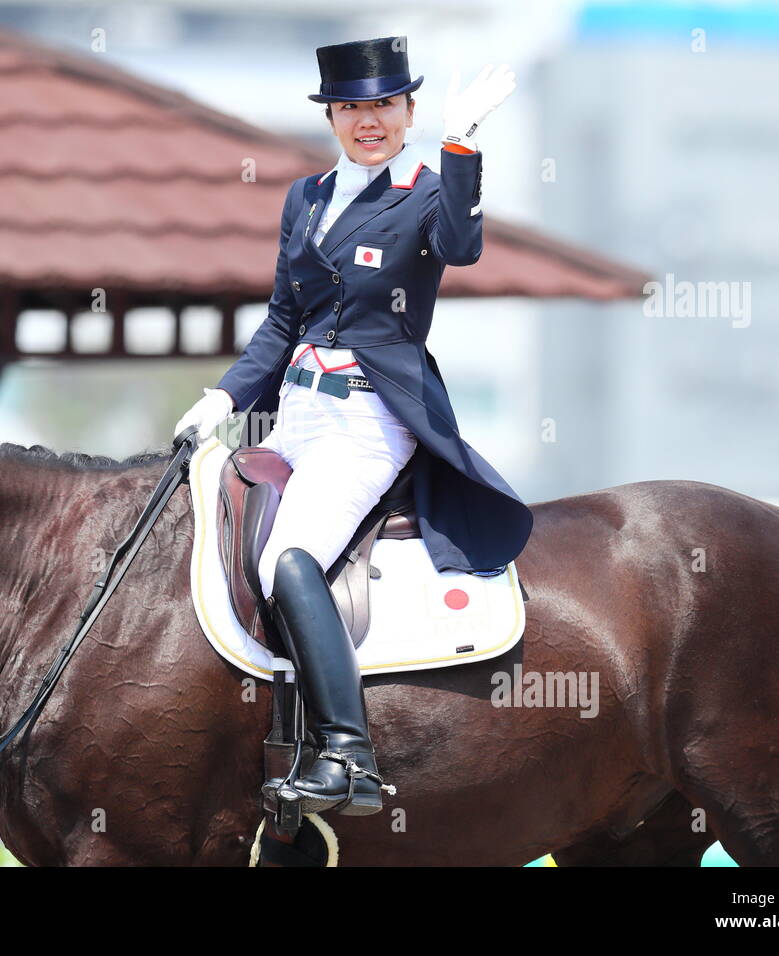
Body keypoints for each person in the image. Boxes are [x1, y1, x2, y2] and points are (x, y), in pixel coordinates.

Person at [174, 37, 532, 815]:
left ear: (407, 112)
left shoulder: (428, 191)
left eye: (383, 106)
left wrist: (462, 141)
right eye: (352, 108)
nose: (368, 121)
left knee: (286, 559)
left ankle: (349, 754)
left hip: (370, 417)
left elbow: (464, 249)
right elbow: (281, 320)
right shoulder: (304, 197)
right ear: (332, 116)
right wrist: (225, 399)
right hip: (294, 414)